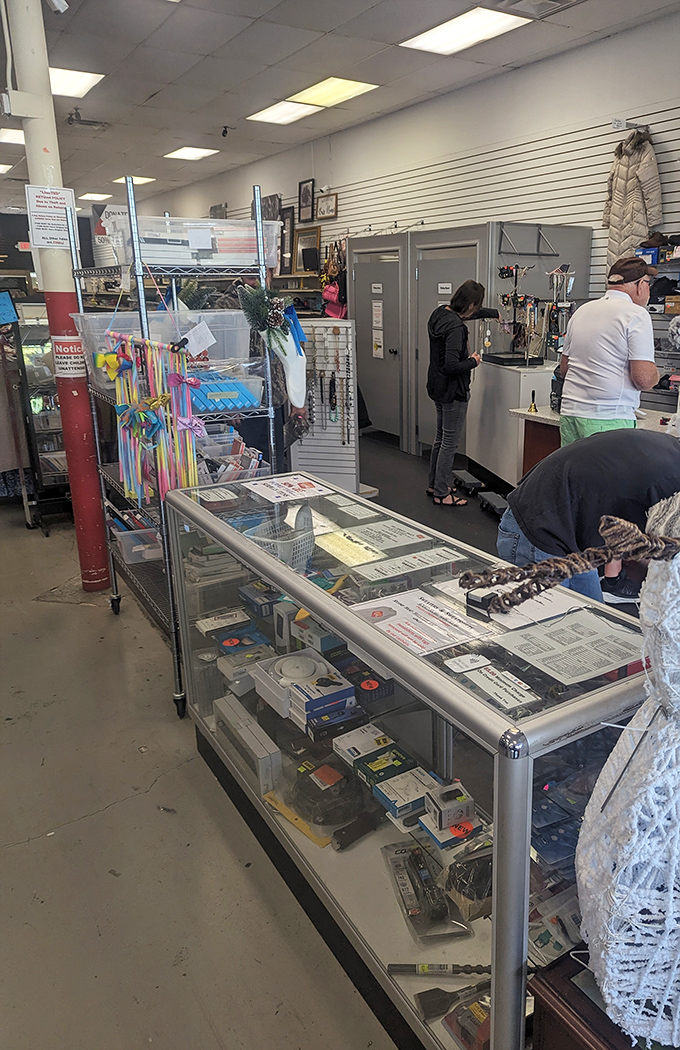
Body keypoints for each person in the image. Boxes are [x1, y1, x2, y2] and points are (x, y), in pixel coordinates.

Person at [496, 429, 680, 604]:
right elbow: (660, 563)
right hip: (539, 525)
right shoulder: (670, 483)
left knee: (592, 617)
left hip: (571, 524)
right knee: (546, 620)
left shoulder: (671, 454)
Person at [559, 255, 659, 447]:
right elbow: (643, 379)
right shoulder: (636, 314)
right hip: (609, 418)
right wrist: (656, 376)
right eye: (648, 283)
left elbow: (565, 369)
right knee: (611, 469)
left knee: (575, 467)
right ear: (640, 285)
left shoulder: (582, 311)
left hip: (570, 414)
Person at [426, 280, 498, 506]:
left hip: (437, 386)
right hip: (453, 390)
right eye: (477, 307)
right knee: (449, 442)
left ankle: (434, 484)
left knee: (440, 438)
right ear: (471, 305)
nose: (475, 311)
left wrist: (494, 313)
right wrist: (473, 361)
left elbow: (465, 314)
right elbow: (451, 366)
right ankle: (441, 493)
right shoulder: (457, 328)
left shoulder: (440, 314)